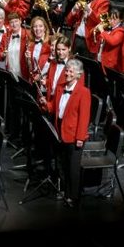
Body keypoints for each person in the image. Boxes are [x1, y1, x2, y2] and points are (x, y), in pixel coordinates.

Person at [43, 58, 91, 207]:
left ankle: (73, 197)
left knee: (73, 168)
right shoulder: (60, 87)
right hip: (60, 132)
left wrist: (80, 138)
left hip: (74, 136)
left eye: (71, 71)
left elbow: (84, 117)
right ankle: (65, 191)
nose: (68, 73)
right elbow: (54, 107)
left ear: (78, 75)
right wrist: (46, 104)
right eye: (67, 70)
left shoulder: (84, 92)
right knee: (62, 165)